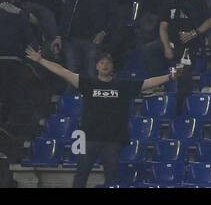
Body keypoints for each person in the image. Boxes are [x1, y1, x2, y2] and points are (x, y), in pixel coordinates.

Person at [26, 46, 178, 188]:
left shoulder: (123, 85)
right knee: (80, 177)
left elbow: (148, 82)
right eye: (101, 62)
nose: (105, 65)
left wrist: (170, 77)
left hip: (113, 140)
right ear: (97, 66)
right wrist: (40, 60)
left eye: (108, 63)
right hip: (89, 139)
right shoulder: (88, 83)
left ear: (113, 66)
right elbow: (63, 71)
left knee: (112, 179)